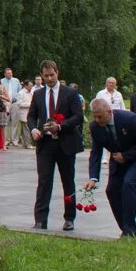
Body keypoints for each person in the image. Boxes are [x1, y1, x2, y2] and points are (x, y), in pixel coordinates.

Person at [84, 97, 136, 239]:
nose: (97, 120)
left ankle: (129, 230)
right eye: (94, 117)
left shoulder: (129, 119)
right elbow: (95, 152)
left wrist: (126, 156)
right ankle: (126, 230)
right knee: (111, 190)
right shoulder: (95, 127)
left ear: (109, 111)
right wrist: (93, 177)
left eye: (100, 116)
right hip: (119, 159)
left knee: (129, 183)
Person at [27, 60, 85, 231]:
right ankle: (40, 219)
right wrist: (33, 130)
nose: (50, 78)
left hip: (65, 143)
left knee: (68, 181)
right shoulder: (38, 94)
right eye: (46, 76)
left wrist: (60, 126)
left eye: (52, 75)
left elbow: (78, 117)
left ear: (57, 73)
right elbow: (31, 116)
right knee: (44, 181)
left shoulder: (70, 93)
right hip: (45, 144)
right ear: (42, 76)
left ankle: (69, 218)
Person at [13, 80, 34, 150]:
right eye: (30, 85)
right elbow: (19, 103)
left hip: (29, 113)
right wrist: (29, 105)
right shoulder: (21, 93)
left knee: (25, 129)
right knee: (26, 129)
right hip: (23, 114)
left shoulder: (31, 92)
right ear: (25, 85)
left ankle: (25, 143)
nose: (31, 87)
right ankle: (28, 144)